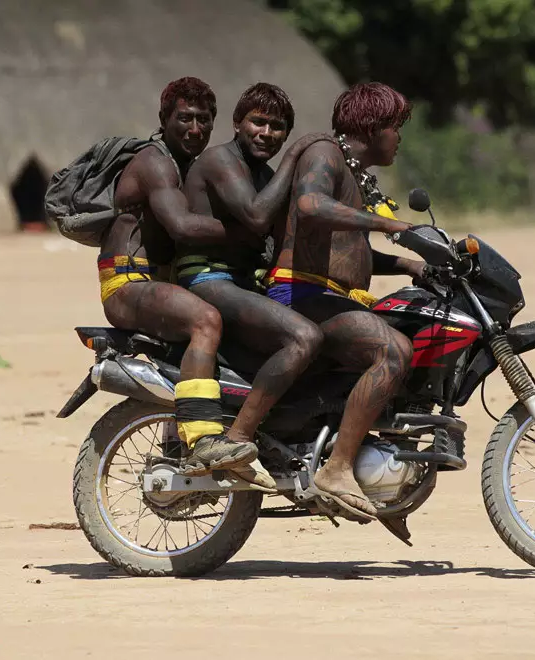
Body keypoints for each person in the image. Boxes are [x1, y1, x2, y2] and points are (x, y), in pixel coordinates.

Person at [264, 82, 425, 521]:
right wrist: (385, 224)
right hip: (301, 292)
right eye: (395, 127)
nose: (399, 137)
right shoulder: (325, 153)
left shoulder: (352, 171)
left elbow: (346, 250)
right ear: (373, 127)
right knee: (394, 351)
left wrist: (411, 266)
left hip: (328, 293)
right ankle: (337, 470)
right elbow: (312, 205)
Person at [101, 76, 257, 477]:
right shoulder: (155, 162)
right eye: (184, 118)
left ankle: (176, 444)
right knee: (205, 320)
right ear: (163, 118)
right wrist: (254, 231)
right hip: (128, 284)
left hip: (164, 285)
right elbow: (182, 228)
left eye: (204, 120)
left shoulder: (189, 166)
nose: (195, 129)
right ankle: (203, 438)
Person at [180, 83, 330, 456]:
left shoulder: (264, 176)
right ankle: (238, 438)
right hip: (207, 278)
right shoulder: (219, 161)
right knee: (304, 338)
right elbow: (257, 215)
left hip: (244, 284)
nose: (267, 133)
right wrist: (295, 154)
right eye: (258, 122)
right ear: (236, 122)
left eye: (278, 127)